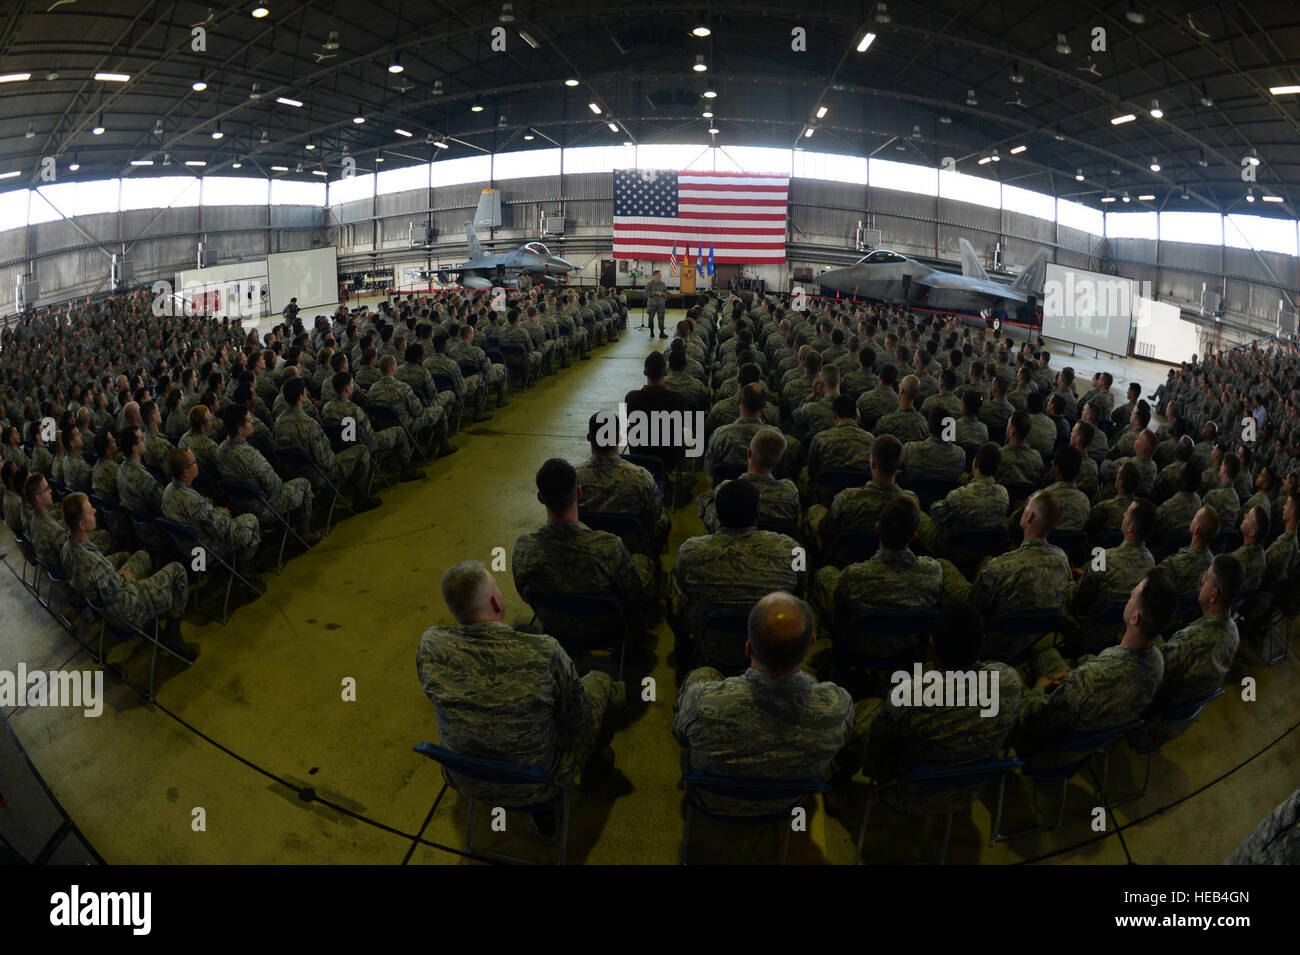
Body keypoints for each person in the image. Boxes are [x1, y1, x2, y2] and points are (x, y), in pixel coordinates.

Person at [417, 560, 623, 841]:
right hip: (538, 783)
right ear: (496, 602)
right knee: (602, 683)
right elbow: (578, 718)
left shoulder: (431, 646)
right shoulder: (545, 650)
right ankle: (590, 769)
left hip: (464, 778)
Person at [672, 591, 854, 816]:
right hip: (789, 803)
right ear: (811, 644)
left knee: (702, 674)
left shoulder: (701, 701)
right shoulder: (838, 706)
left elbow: (680, 735)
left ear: (748, 648)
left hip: (711, 799)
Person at [847, 601, 1023, 815]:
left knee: (863, 710)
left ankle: (837, 782)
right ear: (983, 641)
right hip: (968, 792)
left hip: (907, 794)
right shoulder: (1009, 682)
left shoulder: (907, 696)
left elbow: (879, 758)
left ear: (933, 647)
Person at [1015, 568, 1176, 769]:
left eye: (1132, 596)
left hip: (1053, 750)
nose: (1129, 598)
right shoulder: (1158, 664)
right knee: (1051, 655)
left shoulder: (1087, 679)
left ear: (1135, 618)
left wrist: (1039, 688)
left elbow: (1033, 718)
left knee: (1035, 655)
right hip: (1090, 743)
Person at [671, 479, 803, 673]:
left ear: (716, 514)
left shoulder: (691, 551)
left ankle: (684, 654)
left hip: (712, 641)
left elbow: (682, 587)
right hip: (770, 642)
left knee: (675, 592)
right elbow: (799, 593)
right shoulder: (791, 550)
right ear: (757, 512)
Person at [512, 458, 655, 635]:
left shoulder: (524, 549)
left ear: (541, 498)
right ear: (579, 493)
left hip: (556, 626)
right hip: (607, 627)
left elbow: (525, 594)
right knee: (643, 561)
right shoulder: (610, 547)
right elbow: (632, 592)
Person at [60, 492, 197, 661]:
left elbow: (100, 580)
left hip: (113, 594)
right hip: (129, 612)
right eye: (90, 511)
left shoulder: (67, 548)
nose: (95, 511)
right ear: (82, 524)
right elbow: (122, 605)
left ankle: (156, 607)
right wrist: (129, 580)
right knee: (178, 571)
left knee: (141, 556)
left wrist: (118, 578)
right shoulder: (94, 564)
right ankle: (173, 635)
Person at [1128, 555, 1242, 750]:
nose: (1202, 579)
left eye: (1207, 576)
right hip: (1180, 722)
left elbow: (1147, 680)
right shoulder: (1234, 633)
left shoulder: (1187, 643)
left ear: (1214, 595)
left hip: (1151, 722)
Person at [217, 405, 320, 545]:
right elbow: (275, 487)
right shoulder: (250, 455)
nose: (252, 421)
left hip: (240, 507)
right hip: (263, 509)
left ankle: (284, 529)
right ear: (240, 430)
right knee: (303, 484)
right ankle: (304, 533)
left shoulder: (220, 451)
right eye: (249, 420)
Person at [162, 449, 263, 585]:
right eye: (194, 462)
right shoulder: (193, 501)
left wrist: (216, 511)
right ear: (186, 471)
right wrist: (223, 513)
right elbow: (223, 529)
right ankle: (241, 569)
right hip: (208, 551)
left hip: (189, 551)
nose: (197, 464)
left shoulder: (168, 491)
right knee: (251, 520)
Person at [576, 411, 670, 557]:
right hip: (630, 550)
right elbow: (653, 516)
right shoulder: (641, 477)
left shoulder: (574, 477)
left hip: (586, 549)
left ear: (589, 438)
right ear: (619, 439)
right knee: (664, 520)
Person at [645, 270, 667, 339]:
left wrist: (662, 294)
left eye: (660, 275)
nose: (660, 276)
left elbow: (666, 293)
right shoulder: (649, 284)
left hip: (661, 304)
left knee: (661, 319)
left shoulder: (663, 284)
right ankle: (651, 331)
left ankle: (662, 332)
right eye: (659, 275)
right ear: (655, 275)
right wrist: (655, 293)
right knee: (651, 319)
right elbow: (646, 293)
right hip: (652, 304)